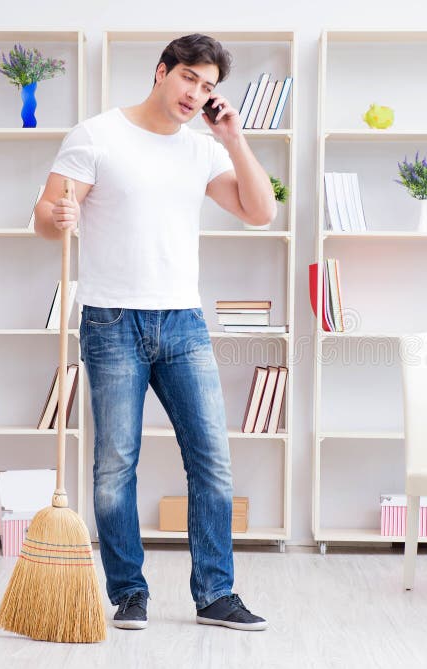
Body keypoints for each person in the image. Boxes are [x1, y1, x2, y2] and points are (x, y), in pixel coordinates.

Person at [33, 33, 275, 632]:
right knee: (116, 464)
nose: (197, 93)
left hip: (183, 322)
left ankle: (216, 594)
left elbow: (260, 211)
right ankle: (128, 593)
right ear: (162, 71)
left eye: (209, 86)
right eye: (189, 77)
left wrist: (234, 140)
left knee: (213, 461)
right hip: (111, 320)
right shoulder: (97, 135)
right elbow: (45, 219)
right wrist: (56, 216)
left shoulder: (203, 151)